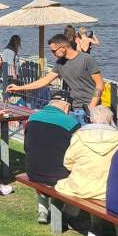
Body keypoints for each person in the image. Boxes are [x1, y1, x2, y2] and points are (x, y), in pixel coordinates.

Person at [7, 33, 104, 123]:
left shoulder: (86, 59)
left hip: (92, 109)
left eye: (54, 51)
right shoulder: (59, 64)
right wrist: (19, 88)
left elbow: (99, 85)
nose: (53, 54)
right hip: (74, 108)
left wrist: (91, 107)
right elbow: (44, 81)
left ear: (63, 48)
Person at [23, 89, 79, 222]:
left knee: (41, 163)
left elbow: (26, 147)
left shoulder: (32, 118)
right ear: (67, 107)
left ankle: (42, 210)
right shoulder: (72, 123)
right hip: (59, 175)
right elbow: (77, 154)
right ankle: (68, 214)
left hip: (33, 171)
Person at [54, 105, 118, 201]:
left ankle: (68, 213)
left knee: (62, 185)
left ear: (91, 119)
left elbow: (68, 162)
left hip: (80, 187)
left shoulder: (79, 135)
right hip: (107, 189)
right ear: (111, 119)